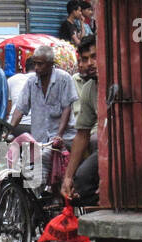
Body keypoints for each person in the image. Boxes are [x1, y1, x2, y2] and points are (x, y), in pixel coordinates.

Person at [7, 45, 78, 187]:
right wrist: (8, 131)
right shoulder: (31, 82)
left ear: (51, 65)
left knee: (42, 161)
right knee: (20, 164)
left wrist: (59, 135)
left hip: (63, 138)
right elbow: (20, 109)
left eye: (40, 64)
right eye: (35, 63)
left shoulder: (64, 79)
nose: (37, 67)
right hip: (39, 139)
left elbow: (66, 109)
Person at [61, 35, 98, 202]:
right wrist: (68, 177)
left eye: (94, 57)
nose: (89, 63)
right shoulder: (89, 89)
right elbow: (82, 134)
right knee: (80, 184)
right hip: (103, 148)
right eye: (85, 59)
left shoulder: (122, 81)